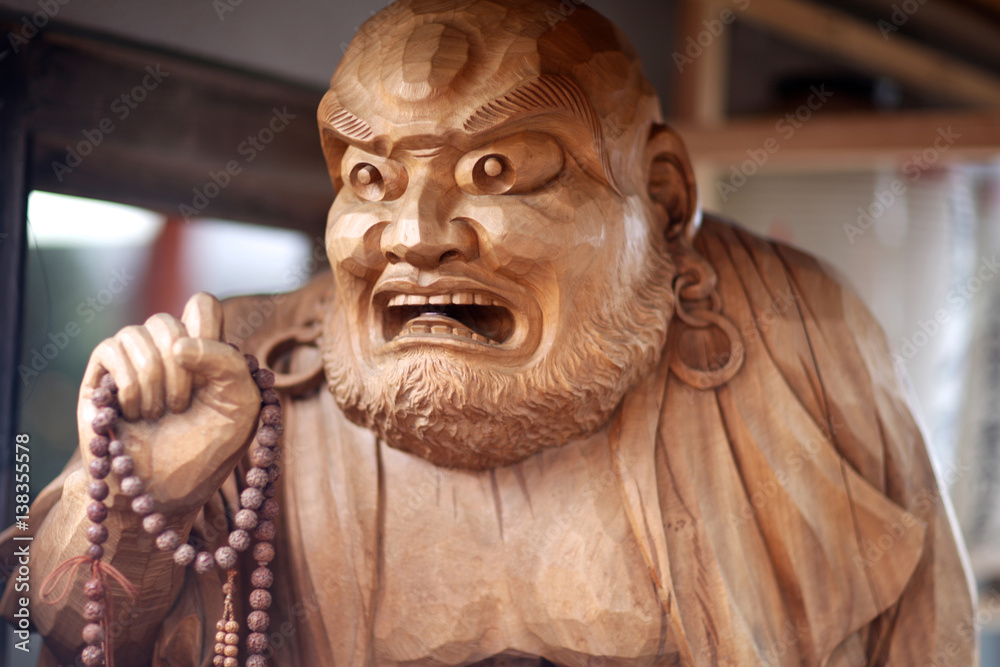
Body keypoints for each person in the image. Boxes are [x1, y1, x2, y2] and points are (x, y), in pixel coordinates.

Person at [2, 0, 976, 665]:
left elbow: (926, 632)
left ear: (664, 197)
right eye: (373, 179)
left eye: (499, 170)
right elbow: (64, 623)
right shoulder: (252, 376)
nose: (416, 237)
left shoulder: (788, 333)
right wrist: (139, 488)